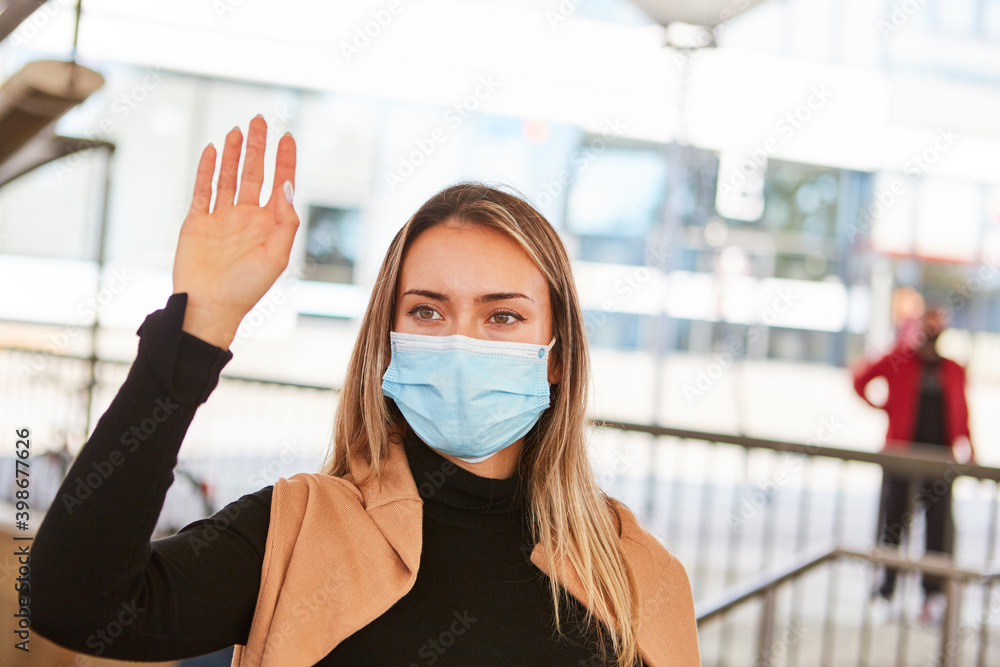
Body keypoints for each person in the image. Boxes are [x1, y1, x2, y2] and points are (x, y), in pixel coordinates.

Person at [31, 116, 699, 666]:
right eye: (428, 312)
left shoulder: (639, 577)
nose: (461, 340)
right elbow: (74, 603)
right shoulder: (299, 532)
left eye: (503, 316)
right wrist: (199, 324)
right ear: (389, 339)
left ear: (557, 357)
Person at [852, 307, 974, 624]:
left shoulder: (953, 369)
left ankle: (932, 596)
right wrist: (885, 407)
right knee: (893, 524)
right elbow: (861, 378)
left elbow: (962, 412)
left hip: (940, 462)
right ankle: (885, 591)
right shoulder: (901, 360)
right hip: (902, 457)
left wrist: (970, 448)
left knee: (938, 530)